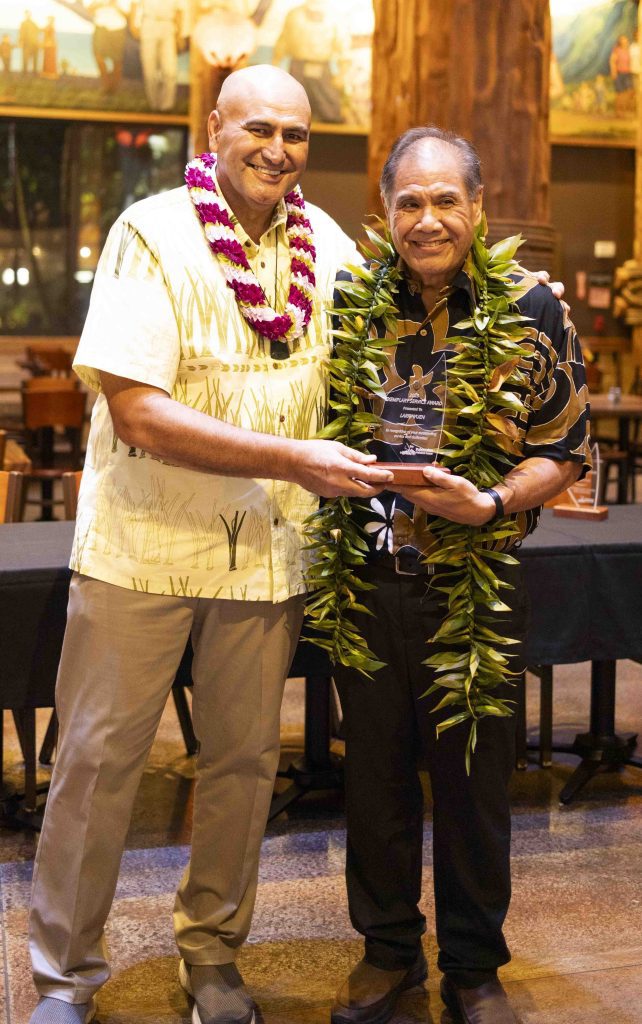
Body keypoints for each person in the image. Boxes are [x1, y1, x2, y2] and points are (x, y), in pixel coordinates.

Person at [26, 64, 393, 1024]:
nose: (279, 148)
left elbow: (377, 373)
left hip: (267, 549)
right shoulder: (150, 231)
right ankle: (65, 977)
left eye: (300, 135)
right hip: (141, 544)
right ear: (215, 127)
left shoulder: (334, 248)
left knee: (243, 766)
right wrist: (296, 457)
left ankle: (215, 956)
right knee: (99, 763)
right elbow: (140, 415)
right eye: (259, 127)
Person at [329, 126, 591, 1024]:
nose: (428, 218)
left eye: (447, 200)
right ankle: (387, 953)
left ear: (478, 208)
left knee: (475, 783)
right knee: (375, 777)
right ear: (387, 210)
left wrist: (489, 503)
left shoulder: (530, 307)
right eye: (410, 201)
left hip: (477, 583)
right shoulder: (351, 304)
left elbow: (568, 449)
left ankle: (474, 966)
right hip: (368, 576)